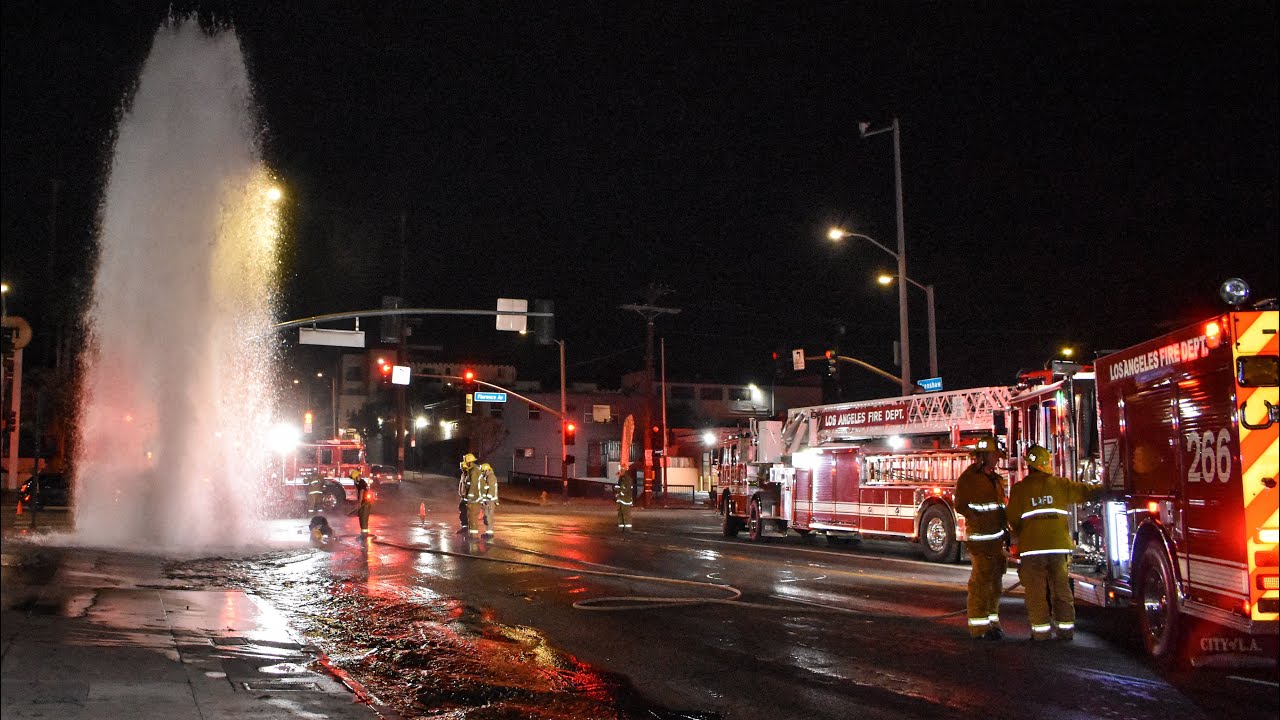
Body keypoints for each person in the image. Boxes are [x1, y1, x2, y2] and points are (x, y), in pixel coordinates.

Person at [1007, 444, 1104, 642]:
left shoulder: (1020, 490)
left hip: (1032, 550)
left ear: (1030, 467)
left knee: (1036, 592)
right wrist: (1109, 487)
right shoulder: (1060, 485)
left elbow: (1013, 519)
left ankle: (1041, 633)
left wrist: (1022, 534)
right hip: (1058, 549)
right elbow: (1086, 491)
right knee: (1061, 589)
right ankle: (1065, 630)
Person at [953, 434, 1010, 640]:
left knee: (995, 584)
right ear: (984, 456)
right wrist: (975, 516)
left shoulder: (996, 479)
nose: (997, 459)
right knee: (980, 583)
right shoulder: (969, 479)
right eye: (995, 455)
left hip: (997, 540)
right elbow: (959, 504)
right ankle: (979, 627)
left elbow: (1000, 507)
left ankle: (992, 622)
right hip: (980, 540)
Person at [459, 453, 483, 537]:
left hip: (474, 499)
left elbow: (473, 485)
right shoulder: (472, 471)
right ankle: (472, 534)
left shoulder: (474, 471)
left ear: (469, 462)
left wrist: (469, 498)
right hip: (472, 498)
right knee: (470, 516)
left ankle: (474, 536)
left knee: (472, 517)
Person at [349, 468, 373, 537]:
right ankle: (362, 534)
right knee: (361, 518)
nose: (353, 480)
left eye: (354, 478)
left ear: (357, 477)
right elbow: (358, 493)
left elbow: (362, 492)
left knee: (364, 519)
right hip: (363, 503)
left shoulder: (362, 483)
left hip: (366, 503)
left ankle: (364, 535)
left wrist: (359, 503)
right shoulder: (358, 483)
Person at [477, 462, 499, 537]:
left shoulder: (491, 477)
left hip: (490, 501)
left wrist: (487, 498)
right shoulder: (487, 477)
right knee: (486, 516)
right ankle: (488, 532)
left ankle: (490, 533)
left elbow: (491, 489)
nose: (482, 473)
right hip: (488, 500)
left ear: (486, 470)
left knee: (489, 516)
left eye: (483, 471)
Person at [615, 462, 635, 529]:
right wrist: (617, 492)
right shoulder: (621, 478)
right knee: (620, 514)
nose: (620, 472)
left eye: (621, 470)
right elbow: (617, 487)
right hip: (621, 499)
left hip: (626, 500)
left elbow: (627, 488)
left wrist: (620, 493)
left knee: (626, 514)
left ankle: (628, 528)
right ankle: (621, 527)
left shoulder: (628, 479)